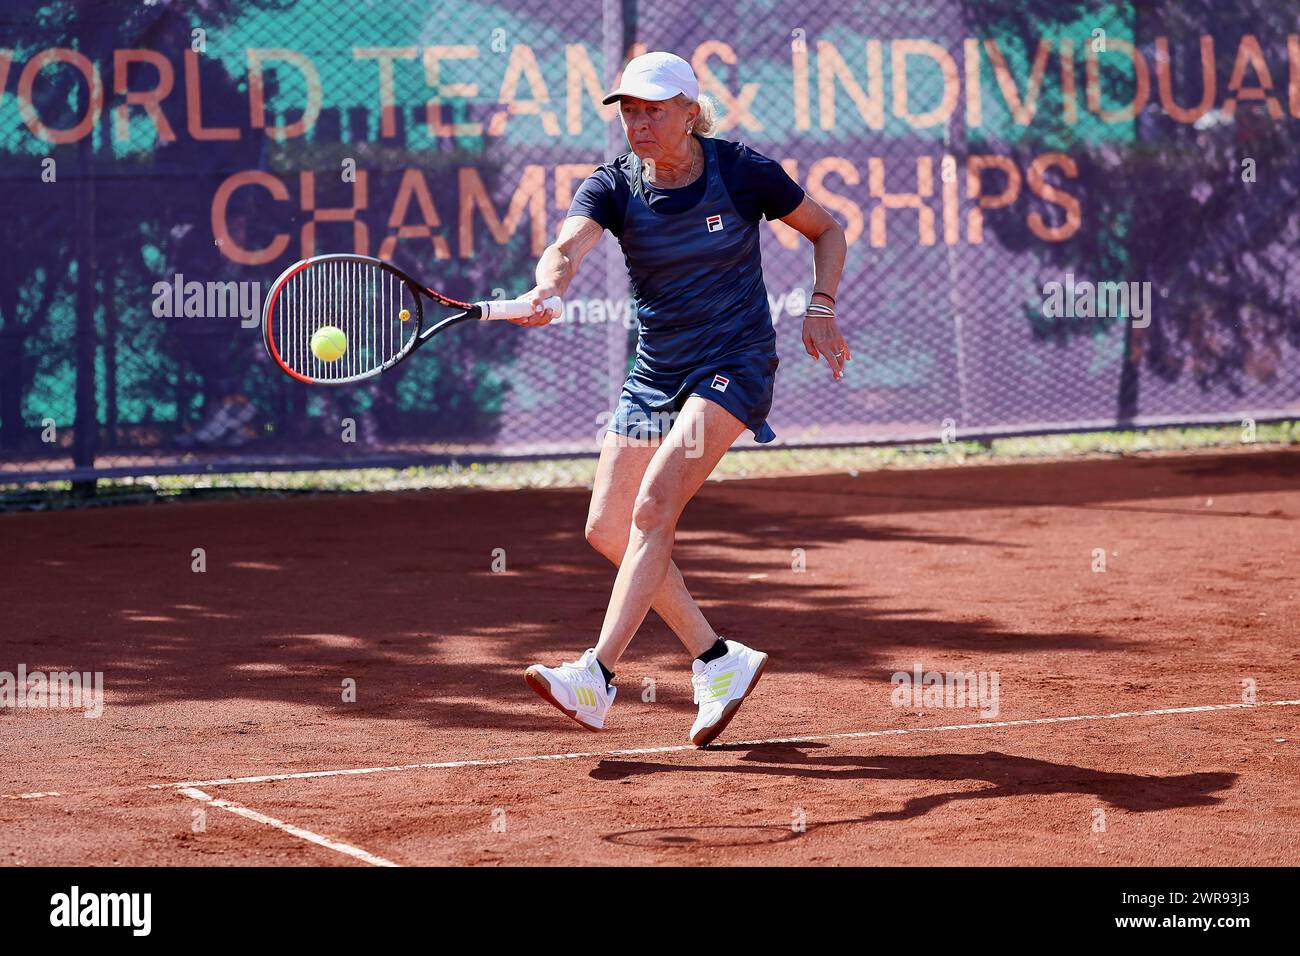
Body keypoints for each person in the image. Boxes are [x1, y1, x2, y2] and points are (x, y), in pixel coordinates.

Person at [517, 52, 849, 746]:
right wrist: (549, 286)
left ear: (690, 112)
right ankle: (718, 659)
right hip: (655, 373)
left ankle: (596, 677)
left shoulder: (741, 171)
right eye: (629, 111)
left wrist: (821, 303)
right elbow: (566, 247)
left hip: (734, 363)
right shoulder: (611, 184)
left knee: (653, 506)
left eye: (654, 110)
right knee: (608, 529)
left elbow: (828, 228)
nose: (639, 123)